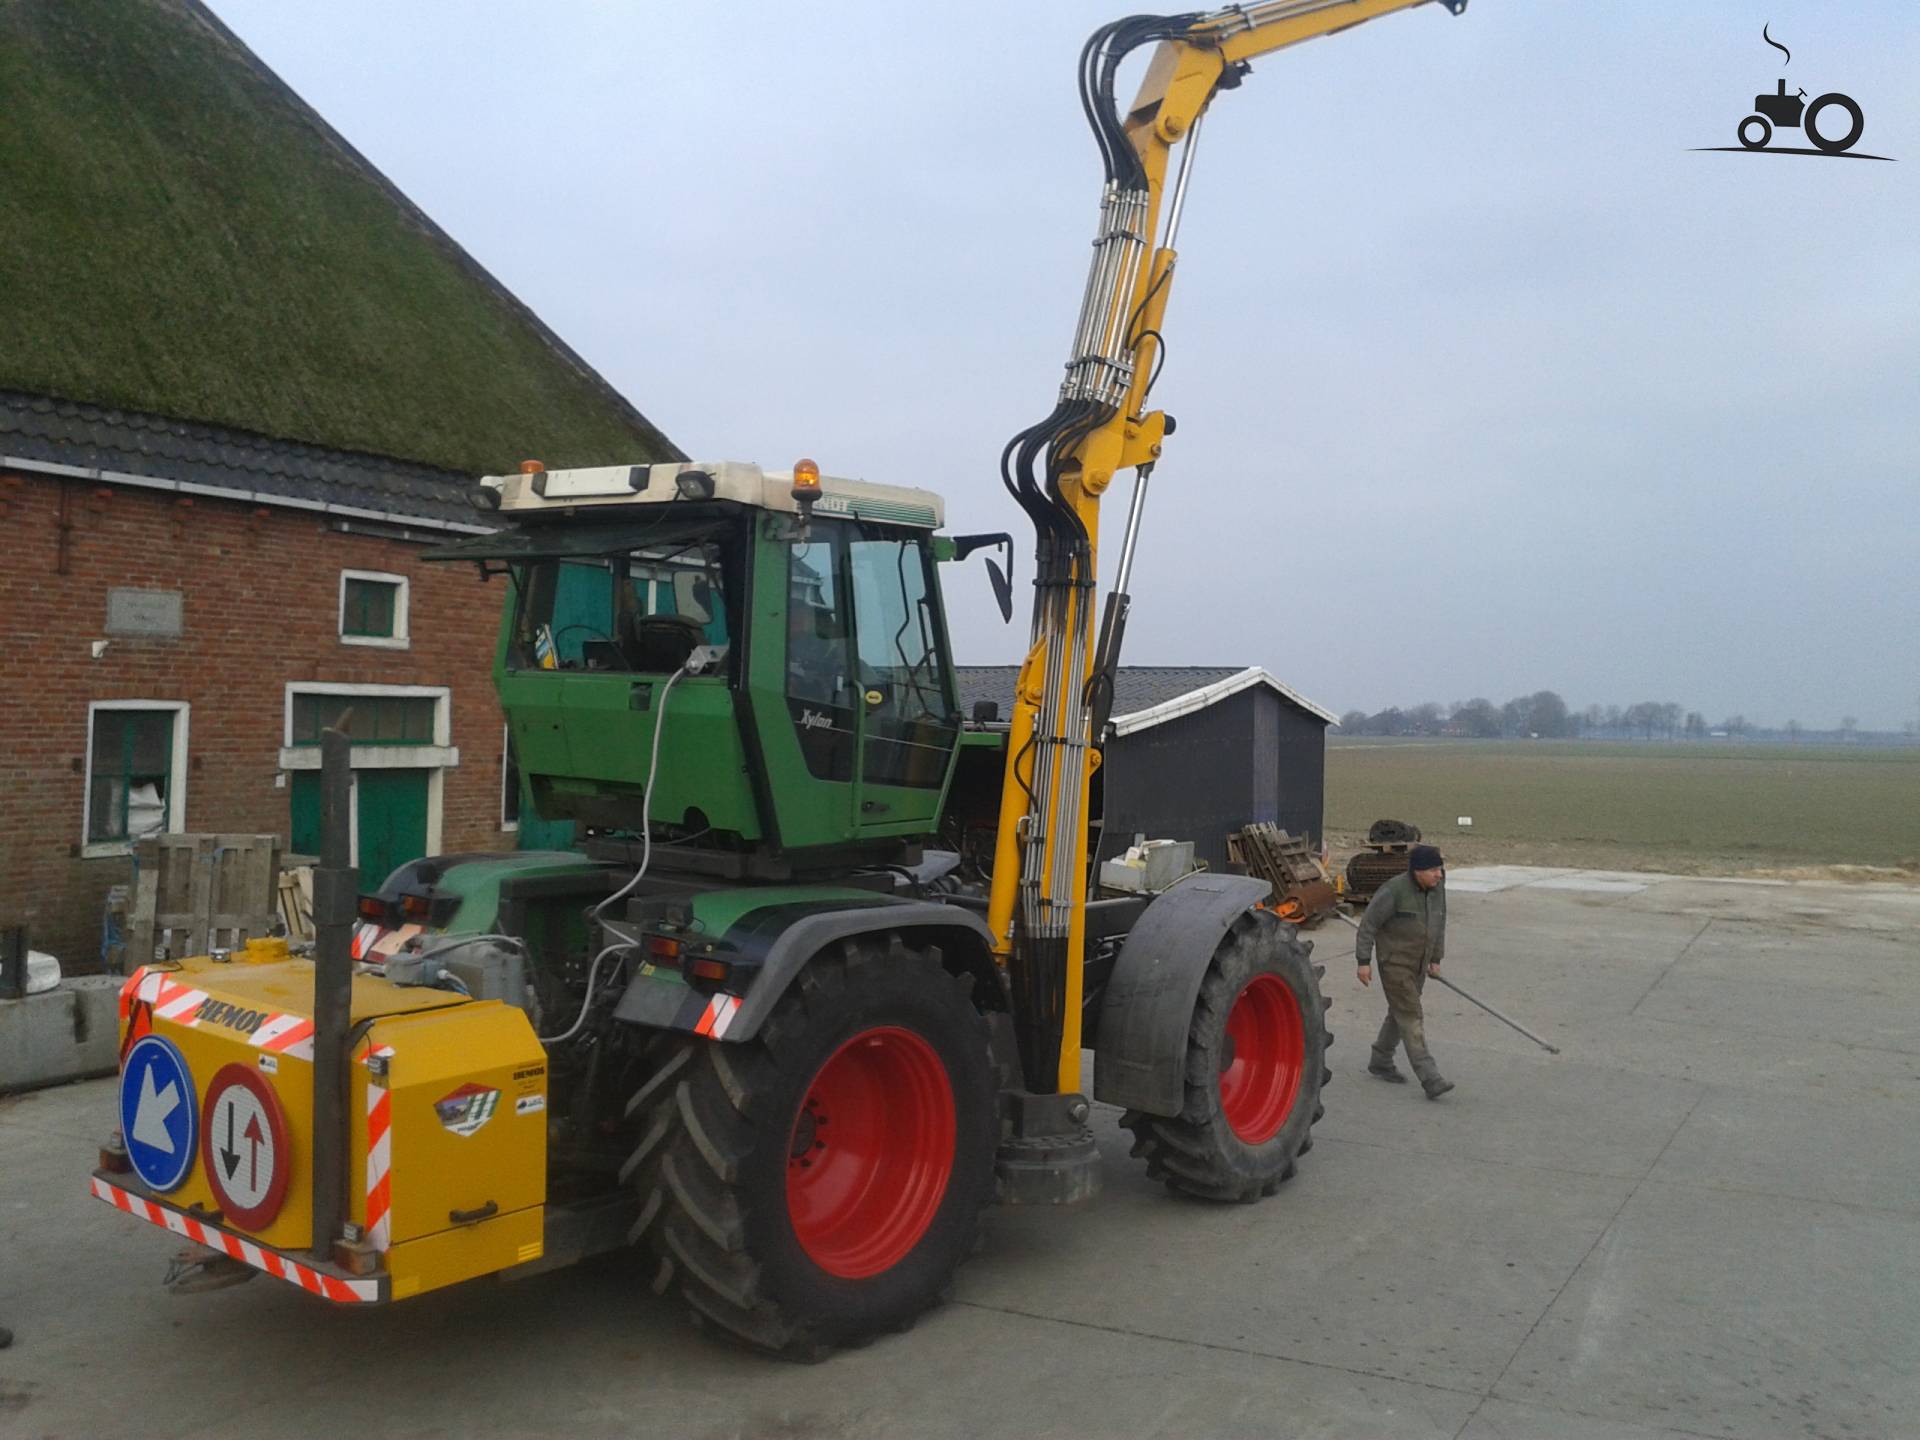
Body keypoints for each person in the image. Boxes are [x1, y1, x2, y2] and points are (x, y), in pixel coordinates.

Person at [1355, 842, 1455, 1099]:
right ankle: (1430, 1077)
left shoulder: (1437, 889)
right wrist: (1363, 961)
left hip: (1420, 964)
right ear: (1418, 871)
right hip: (1395, 964)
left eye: (1440, 870)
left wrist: (1436, 958)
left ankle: (1380, 1059)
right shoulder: (1393, 891)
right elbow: (1368, 925)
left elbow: (1439, 921)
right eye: (1434, 870)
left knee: (1399, 1012)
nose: (1439, 875)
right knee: (1411, 1016)